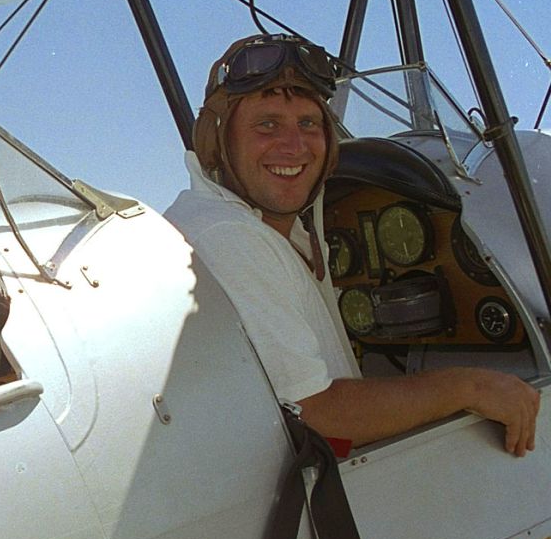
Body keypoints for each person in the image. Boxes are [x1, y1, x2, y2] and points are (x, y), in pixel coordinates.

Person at [165, 33, 539, 456]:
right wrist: (471, 385)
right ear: (217, 140)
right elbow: (317, 416)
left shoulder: (256, 226)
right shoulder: (229, 236)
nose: (294, 146)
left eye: (308, 123)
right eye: (267, 124)